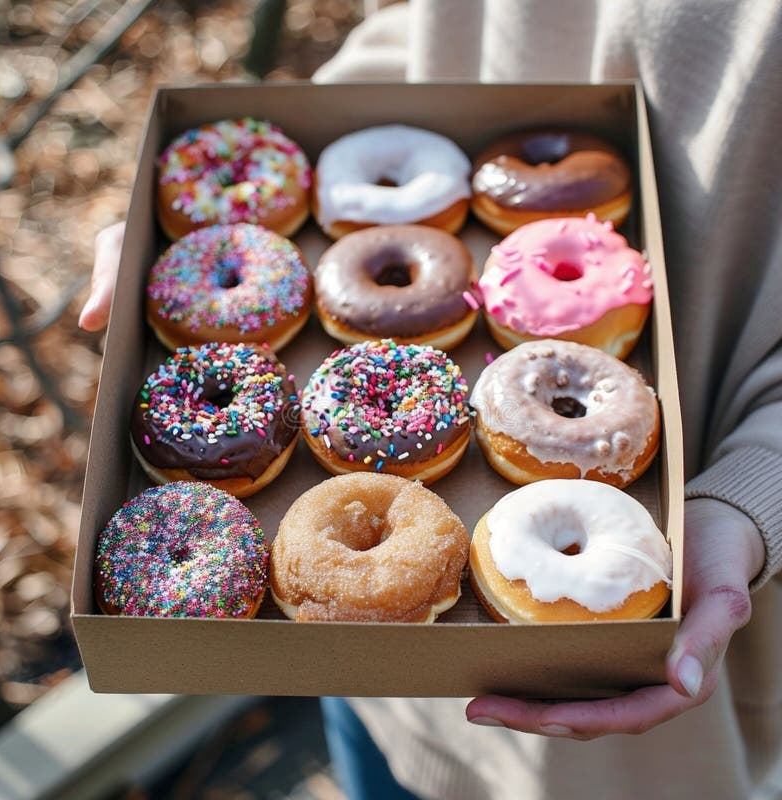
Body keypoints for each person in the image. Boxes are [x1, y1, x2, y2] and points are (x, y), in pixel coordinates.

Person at [79, 2, 782, 798]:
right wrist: (334, 109)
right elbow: (419, 27)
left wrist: (751, 493)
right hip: (365, 683)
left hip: (616, 732)